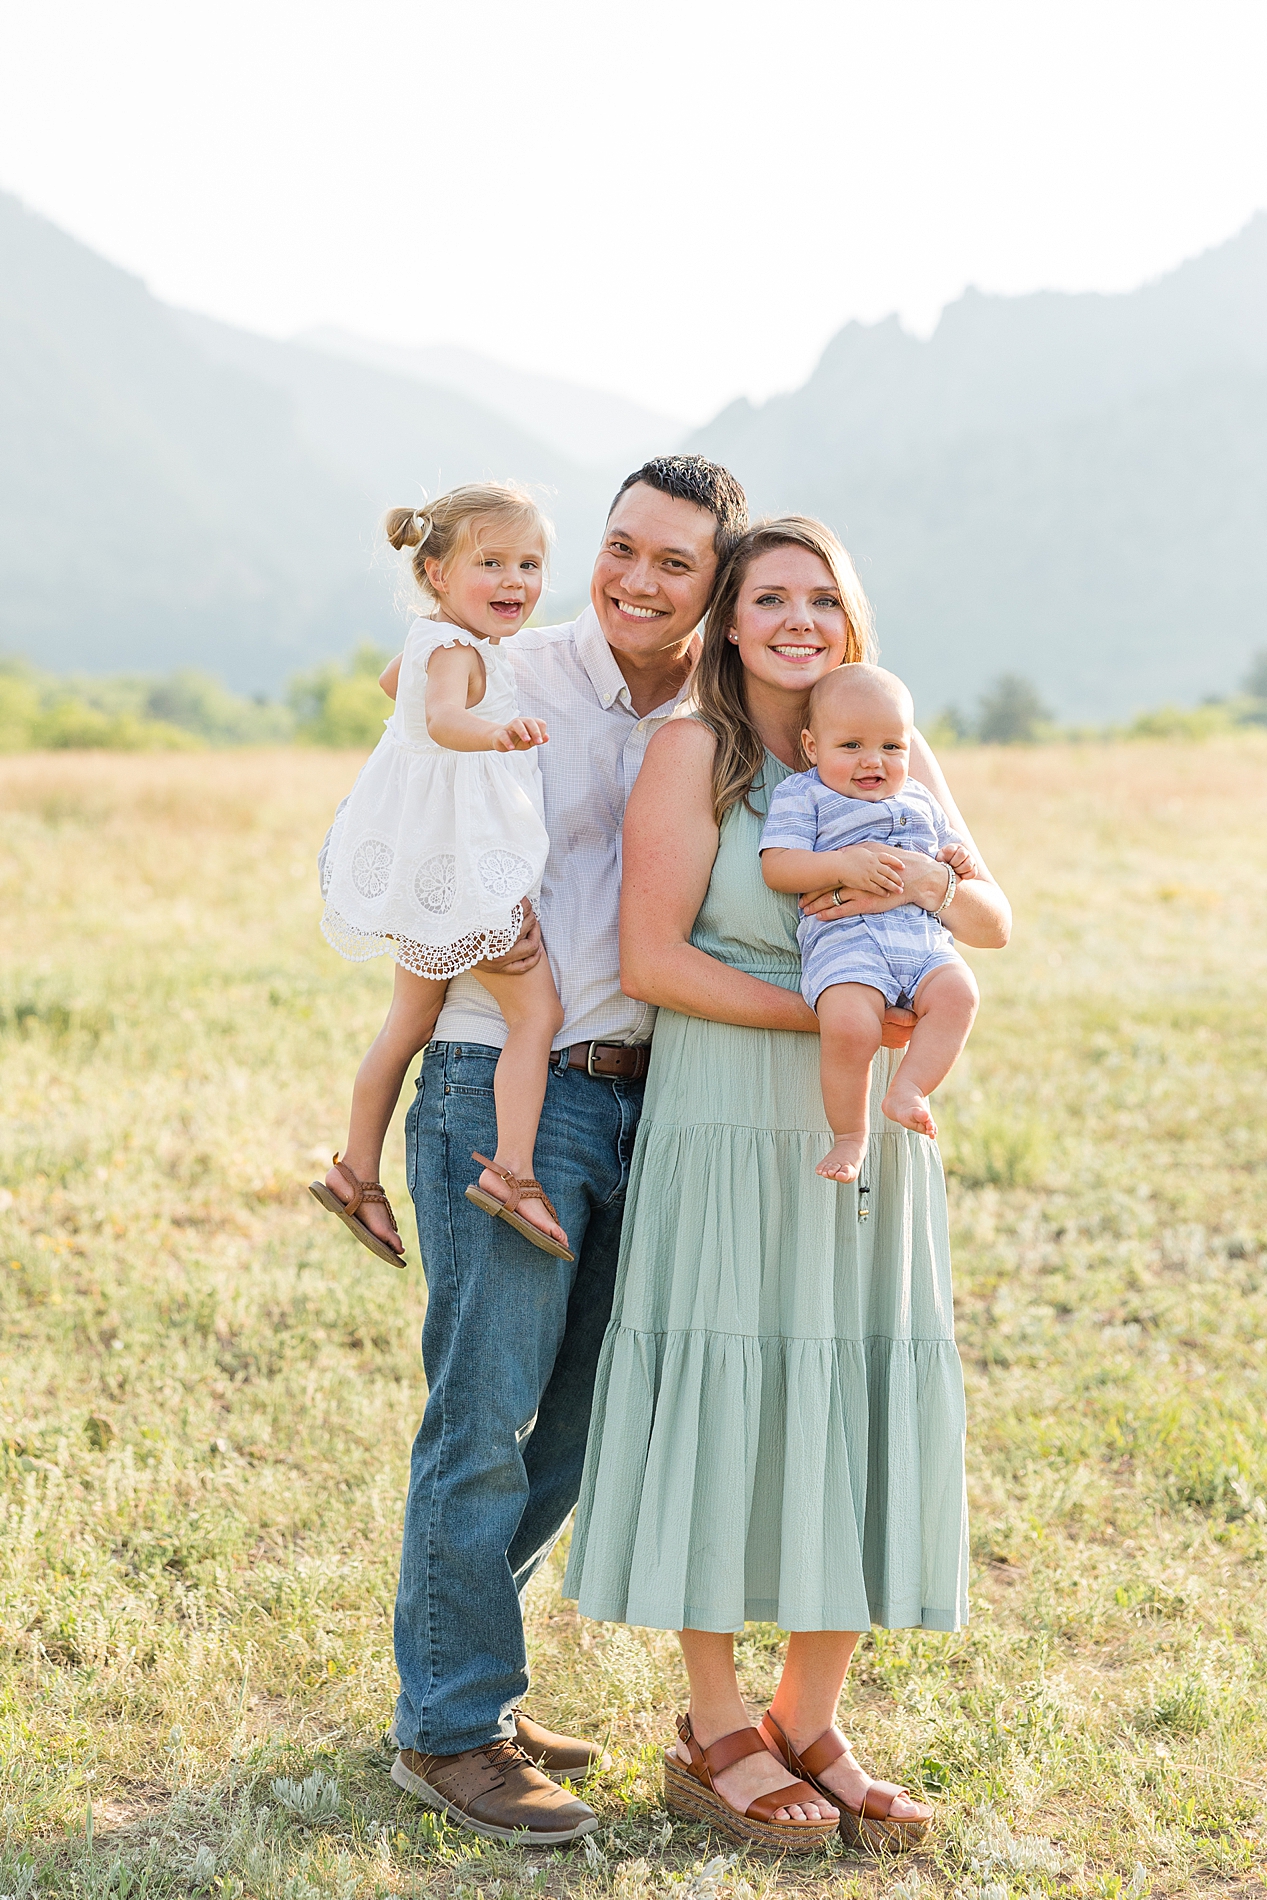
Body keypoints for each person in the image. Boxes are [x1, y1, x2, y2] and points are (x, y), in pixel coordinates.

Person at [564, 517, 1011, 1853]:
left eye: (820, 597)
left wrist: (923, 886)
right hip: (724, 1120)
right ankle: (712, 1728)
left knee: (855, 1385)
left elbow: (990, 916)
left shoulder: (889, 744)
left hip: (868, 1128)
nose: (797, 620)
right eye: (768, 598)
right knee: (726, 1390)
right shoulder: (694, 749)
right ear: (727, 618)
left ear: (849, 615)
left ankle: (808, 1720)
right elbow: (650, 960)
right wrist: (830, 1011)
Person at [383, 456, 752, 1844]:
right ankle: (449, 1727)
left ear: (710, 587)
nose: (634, 580)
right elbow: (397, 801)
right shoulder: (507, 672)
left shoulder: (722, 715)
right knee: (480, 1418)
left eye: (674, 563)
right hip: (502, 1078)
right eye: (620, 547)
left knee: (582, 1424)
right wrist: (469, 925)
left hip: (650, 1101)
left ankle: (466, 1668)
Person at [311, 483, 571, 1265]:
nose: (514, 582)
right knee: (536, 1017)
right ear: (435, 571)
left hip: (418, 870)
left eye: (529, 564)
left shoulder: (432, 639)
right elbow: (440, 720)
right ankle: (514, 1173)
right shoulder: (458, 653)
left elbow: (396, 689)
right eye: (490, 563)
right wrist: (496, 734)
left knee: (406, 1025)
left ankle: (357, 1169)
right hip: (457, 878)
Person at [760, 662, 980, 1183]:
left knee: (960, 994)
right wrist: (840, 863)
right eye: (851, 746)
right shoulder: (804, 794)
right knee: (851, 1024)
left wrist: (955, 863)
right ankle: (850, 1135)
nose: (873, 761)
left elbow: (945, 860)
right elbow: (778, 865)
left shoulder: (919, 799)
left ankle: (909, 1088)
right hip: (848, 942)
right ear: (813, 748)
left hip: (922, 940)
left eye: (891, 747)